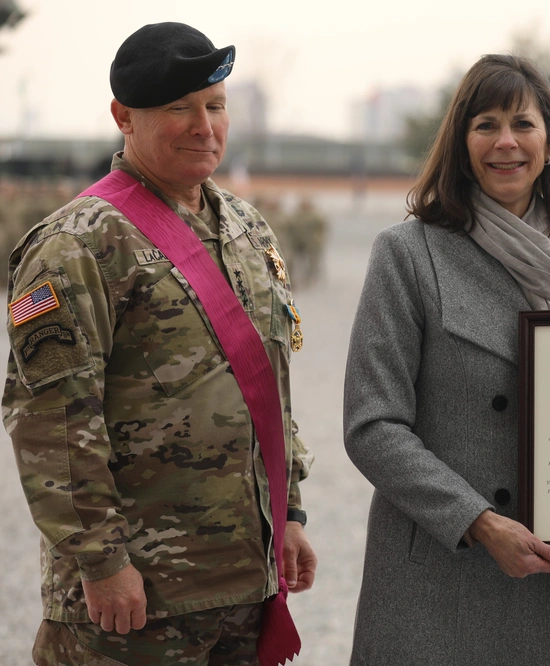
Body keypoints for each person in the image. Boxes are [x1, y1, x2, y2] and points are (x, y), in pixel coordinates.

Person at [2, 22, 316, 665]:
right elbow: (52, 421)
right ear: (124, 117)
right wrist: (101, 563)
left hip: (241, 585)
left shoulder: (247, 229)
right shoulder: (77, 245)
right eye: (179, 109)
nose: (205, 126)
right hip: (137, 599)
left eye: (216, 106)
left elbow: (269, 387)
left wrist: (290, 513)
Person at [343, 54, 550, 665]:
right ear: (461, 143)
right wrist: (480, 521)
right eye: (486, 125)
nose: (505, 142)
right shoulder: (406, 254)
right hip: (438, 574)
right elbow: (372, 426)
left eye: (523, 124)